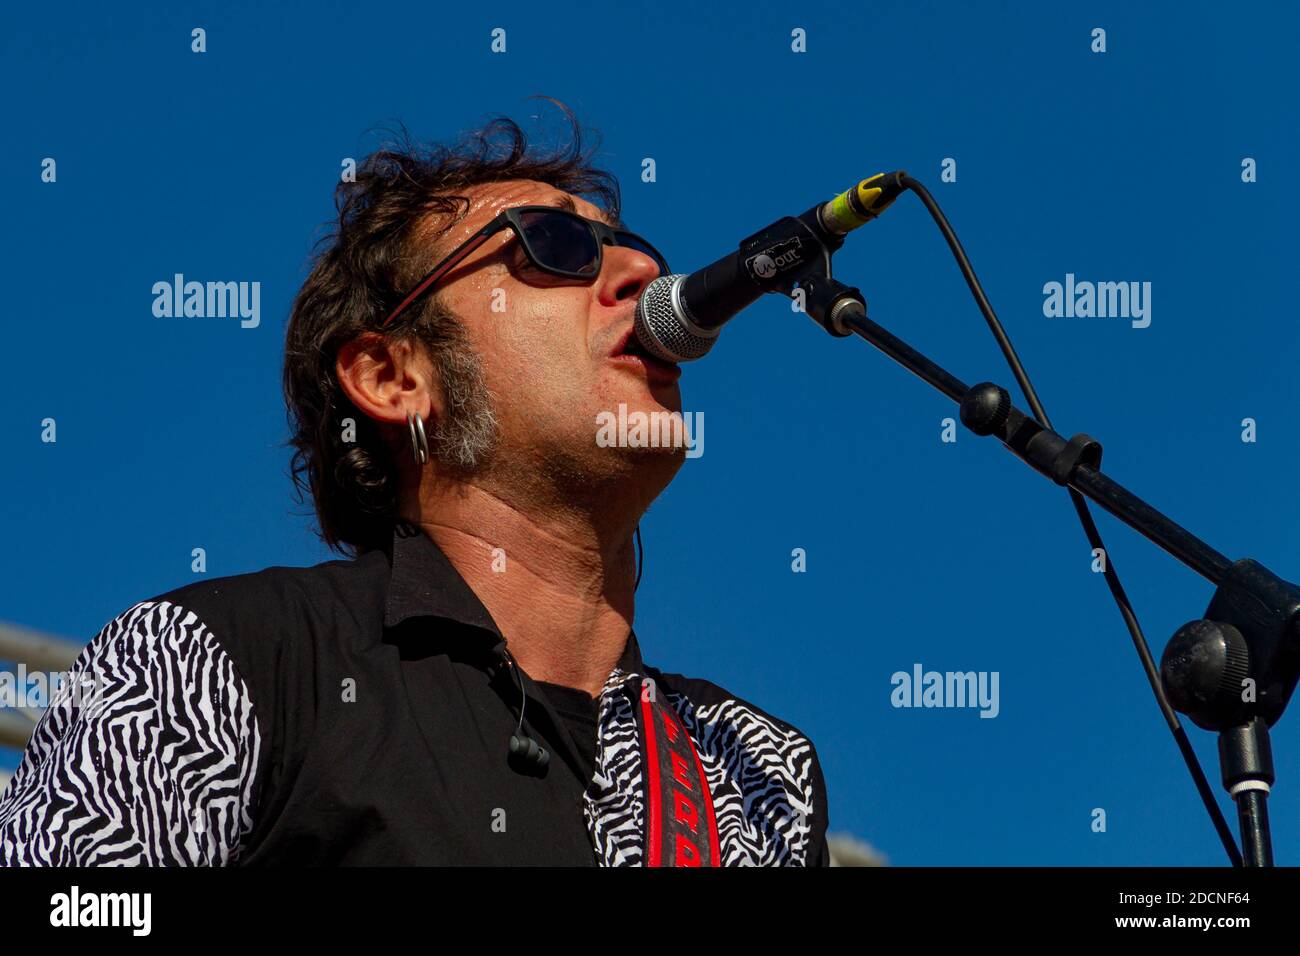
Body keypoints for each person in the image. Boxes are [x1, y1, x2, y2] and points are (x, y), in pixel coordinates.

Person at [0, 105, 830, 866]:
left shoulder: (756, 767)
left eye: (631, 247)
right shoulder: (210, 662)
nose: (641, 270)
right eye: (556, 244)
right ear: (394, 377)